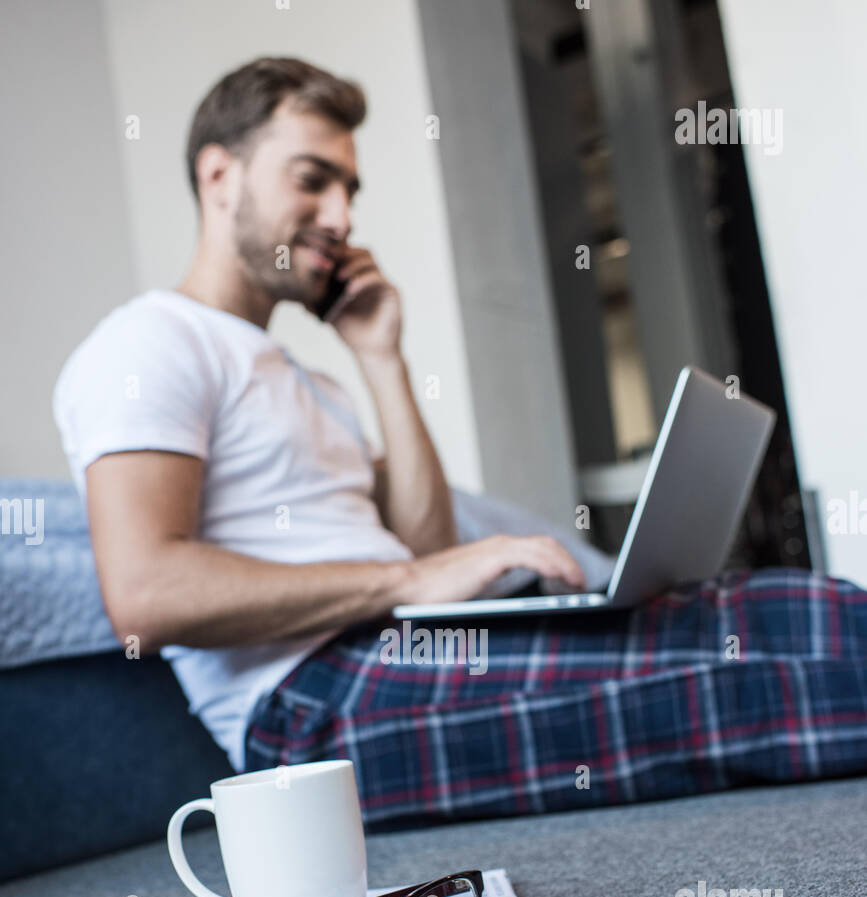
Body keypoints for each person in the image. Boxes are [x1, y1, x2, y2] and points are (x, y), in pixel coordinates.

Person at [54, 57, 867, 832]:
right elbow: (146, 593)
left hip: (396, 648)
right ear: (218, 175)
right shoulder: (150, 344)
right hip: (310, 708)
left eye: (348, 189)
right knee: (752, 669)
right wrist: (404, 579)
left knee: (779, 605)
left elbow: (431, 552)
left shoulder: (309, 379)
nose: (340, 217)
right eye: (312, 180)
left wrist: (381, 357)